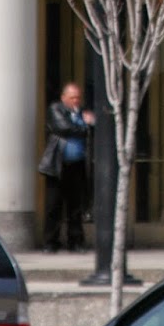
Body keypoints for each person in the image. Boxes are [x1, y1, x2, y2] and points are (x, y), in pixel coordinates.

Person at [39, 81, 94, 252]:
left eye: (77, 97)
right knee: (54, 206)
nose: (75, 101)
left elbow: (93, 128)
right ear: (64, 98)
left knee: (75, 207)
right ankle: (50, 242)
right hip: (57, 165)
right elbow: (64, 128)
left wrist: (88, 124)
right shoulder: (56, 109)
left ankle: (76, 242)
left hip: (77, 166)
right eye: (72, 98)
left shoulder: (82, 112)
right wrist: (86, 125)